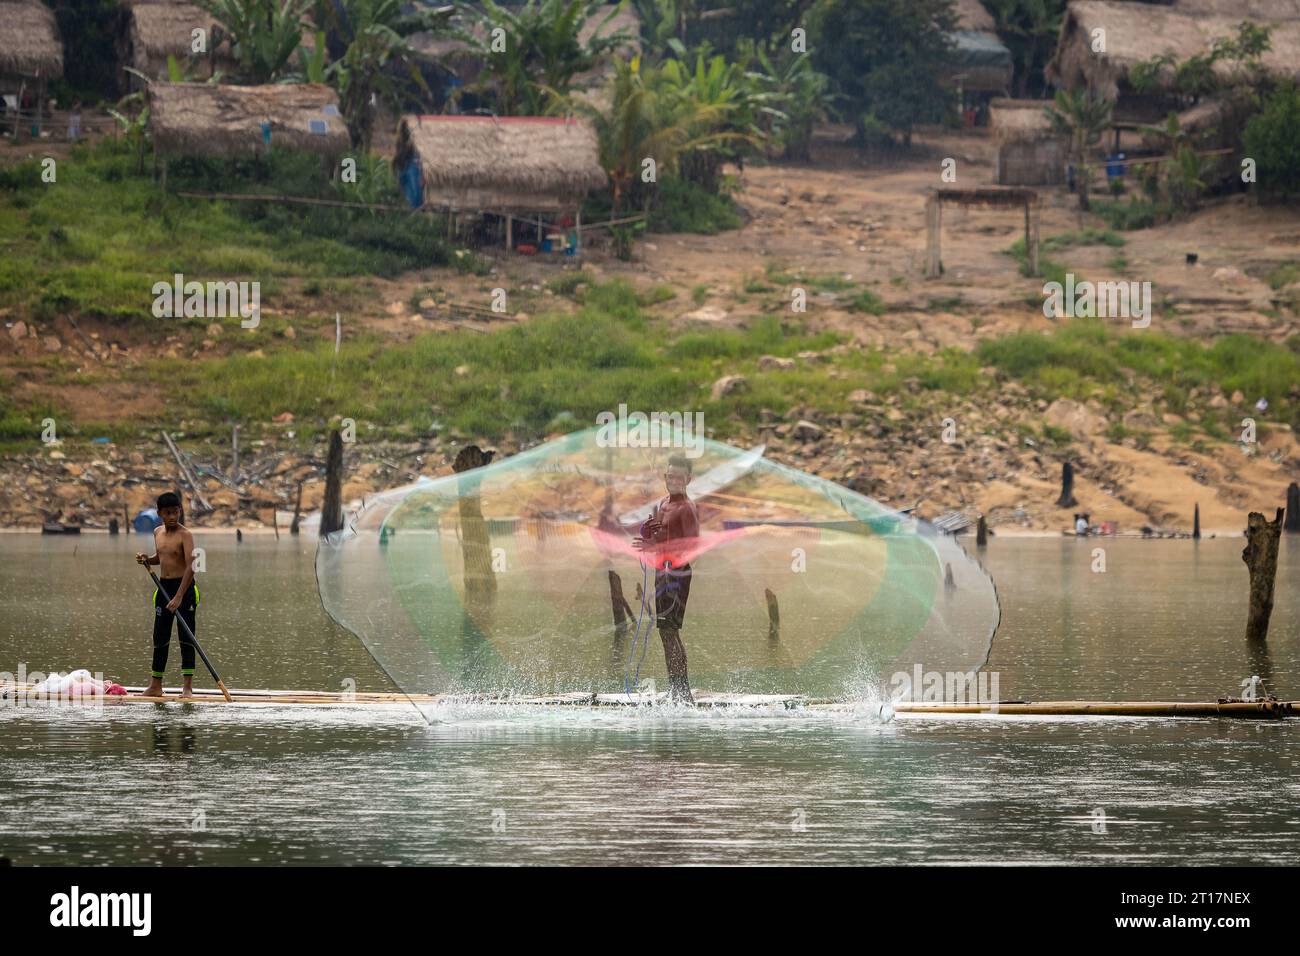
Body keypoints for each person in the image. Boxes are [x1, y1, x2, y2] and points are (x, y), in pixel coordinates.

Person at [634, 455, 700, 704]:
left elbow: (690, 546)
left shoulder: (687, 508)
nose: (673, 481)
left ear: (688, 480)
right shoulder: (662, 504)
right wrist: (648, 535)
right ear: (665, 477)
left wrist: (659, 545)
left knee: (670, 631)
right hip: (662, 572)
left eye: (679, 477)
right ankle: (677, 691)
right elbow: (660, 538)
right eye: (670, 476)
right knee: (665, 632)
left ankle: (682, 693)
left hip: (677, 574)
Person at [135, 492, 199, 698]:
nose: (173, 516)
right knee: (160, 637)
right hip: (163, 589)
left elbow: (192, 566)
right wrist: (147, 559)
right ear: (159, 513)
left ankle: (187, 688)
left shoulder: (185, 535)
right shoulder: (157, 533)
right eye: (168, 513)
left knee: (186, 637)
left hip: (185, 590)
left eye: (176, 512)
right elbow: (161, 558)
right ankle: (155, 686)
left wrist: (179, 596)